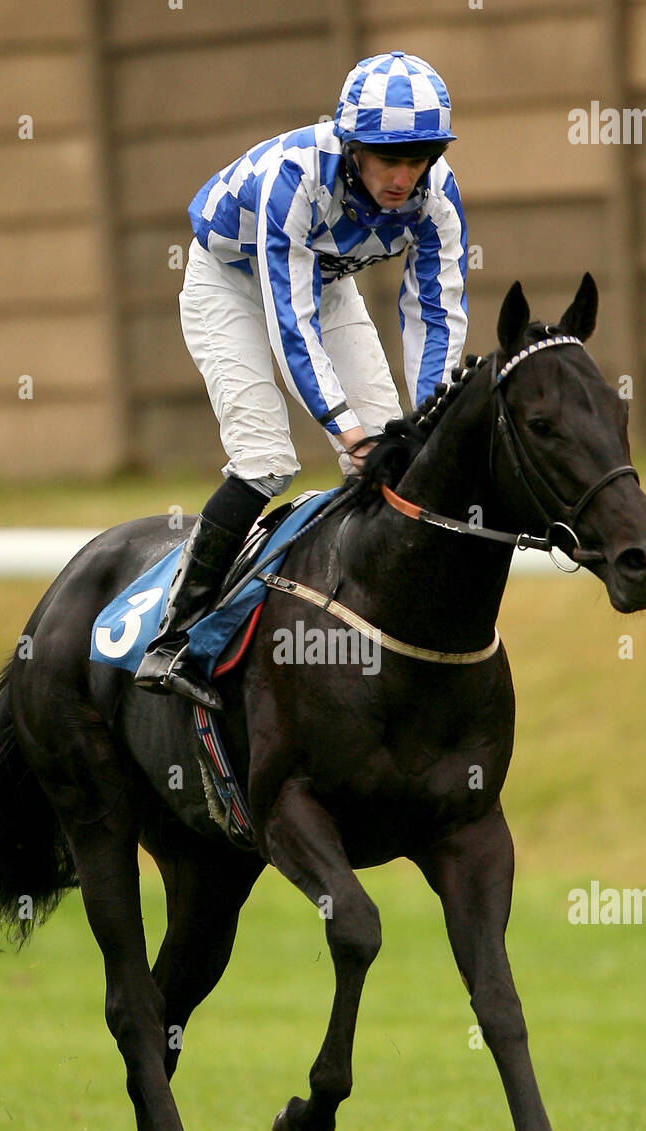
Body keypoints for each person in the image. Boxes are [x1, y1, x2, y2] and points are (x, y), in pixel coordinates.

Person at [135, 50, 468, 707]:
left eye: (420, 155)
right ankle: (173, 638)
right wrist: (348, 433)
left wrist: (427, 422)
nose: (404, 176)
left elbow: (435, 314)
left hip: (326, 281)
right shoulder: (293, 176)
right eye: (386, 156)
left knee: (392, 463)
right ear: (350, 147)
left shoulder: (439, 195)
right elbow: (292, 326)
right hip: (229, 285)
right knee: (267, 461)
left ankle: (368, 632)